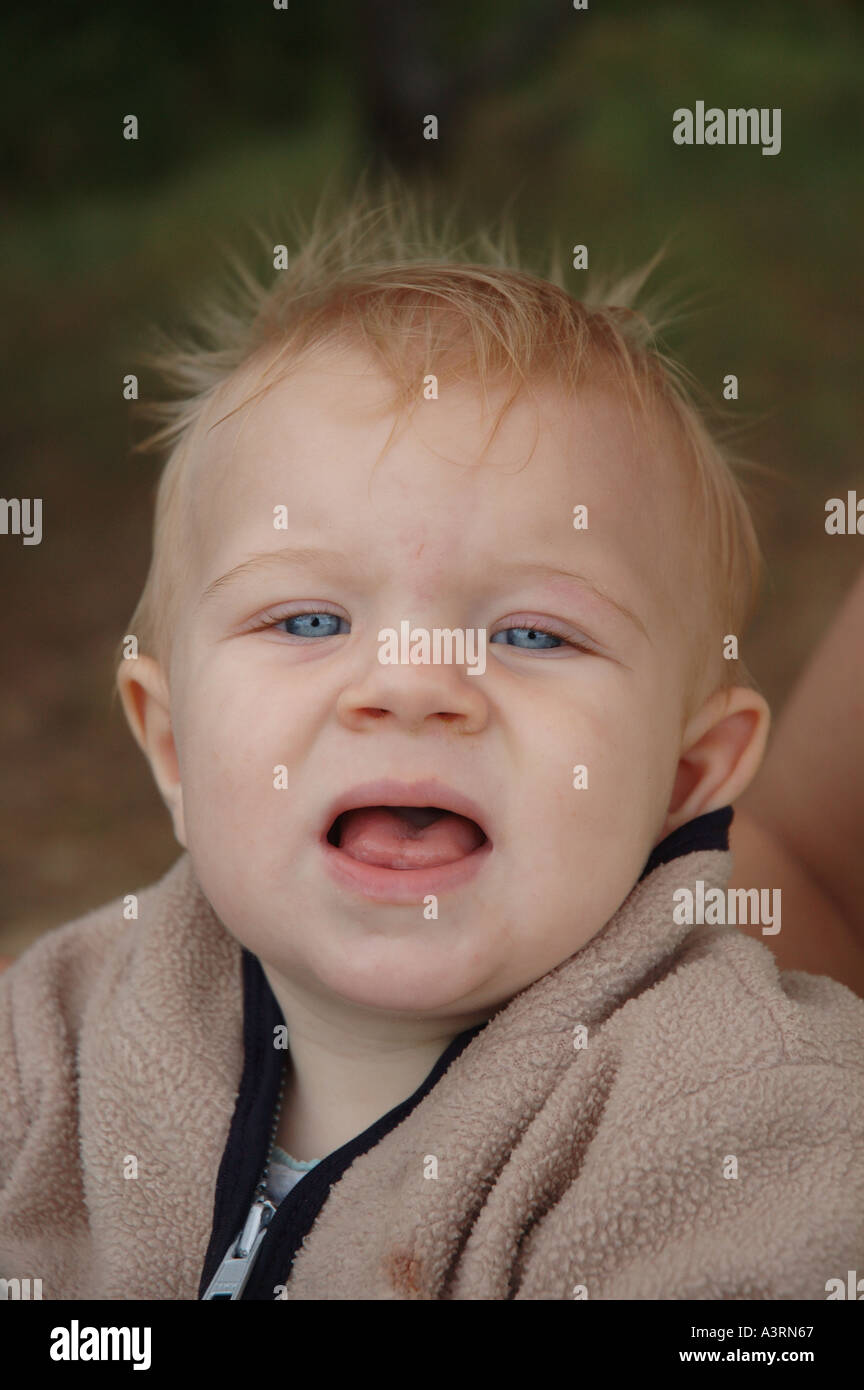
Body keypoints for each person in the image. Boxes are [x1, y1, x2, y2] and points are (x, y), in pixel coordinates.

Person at [1, 184, 862, 1300]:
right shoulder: (55, 1037)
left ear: (687, 778)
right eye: (309, 620)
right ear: (171, 747)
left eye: (534, 633)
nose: (410, 685)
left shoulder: (748, 1122)